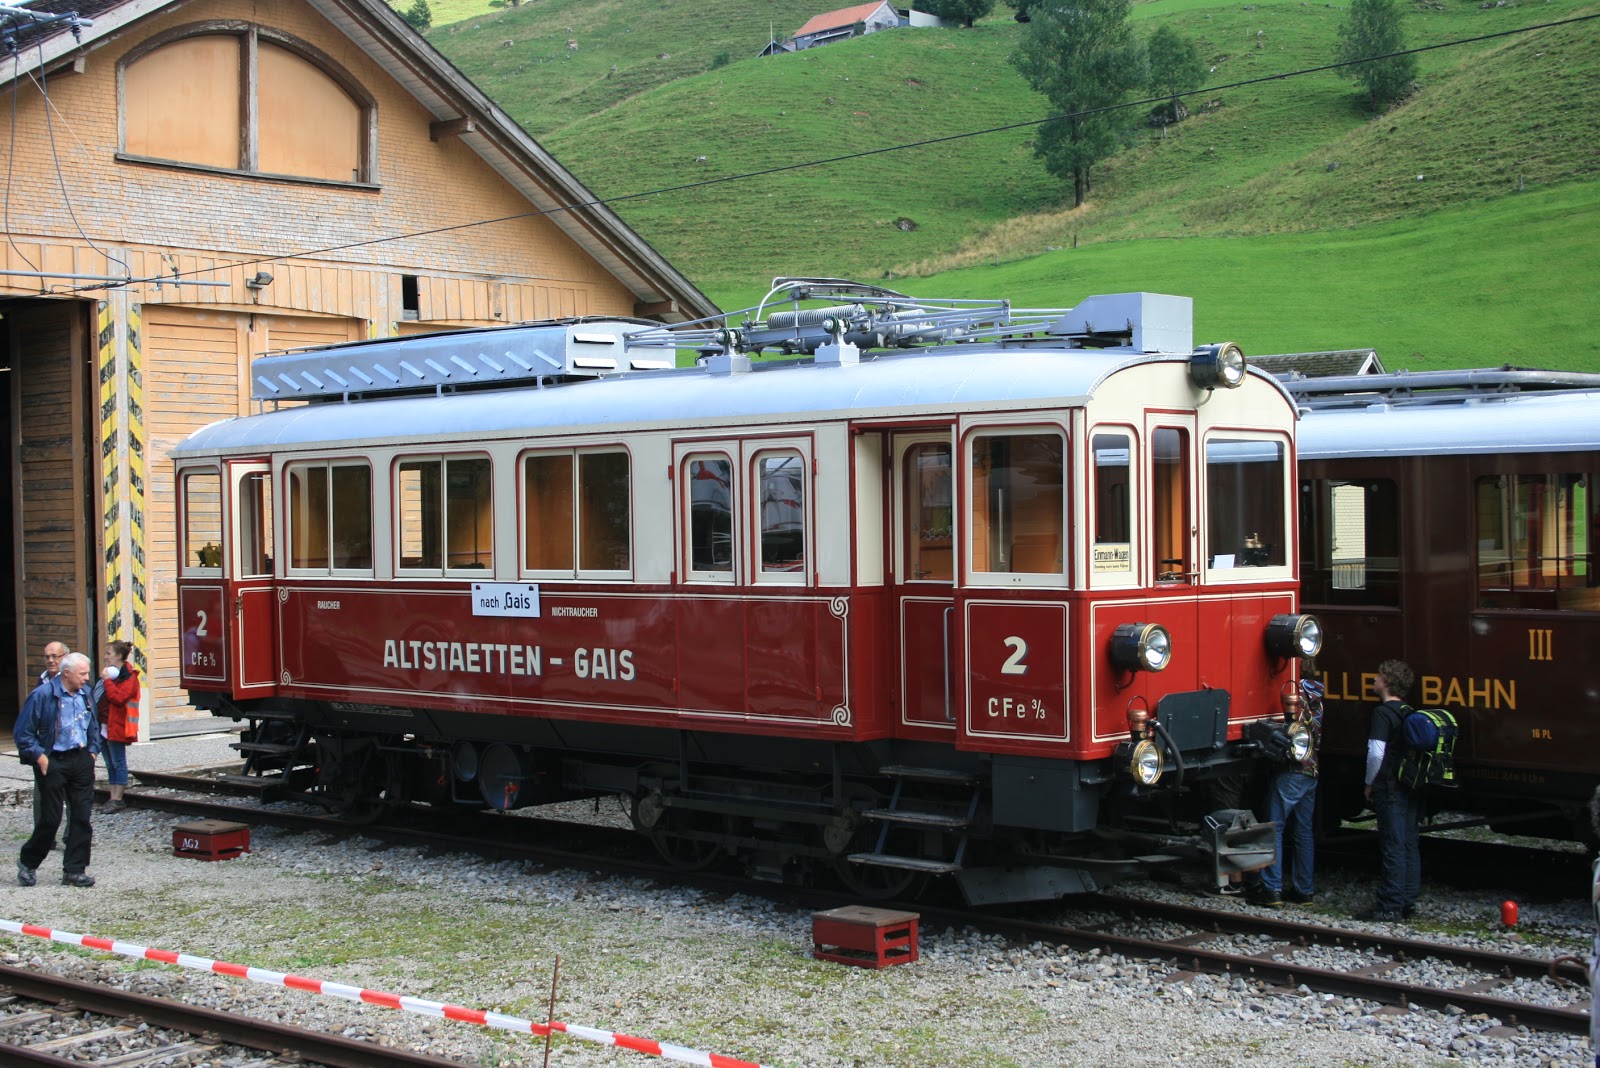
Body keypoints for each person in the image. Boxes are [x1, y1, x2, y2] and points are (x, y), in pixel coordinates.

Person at [16, 651, 100, 887]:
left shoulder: (85, 693)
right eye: (82, 673)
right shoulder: (42, 695)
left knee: (82, 817)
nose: (86, 678)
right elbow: (23, 734)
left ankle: (74, 870)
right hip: (53, 761)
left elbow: (93, 724)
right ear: (66, 673)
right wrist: (40, 757)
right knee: (50, 819)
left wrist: (92, 751)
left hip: (81, 760)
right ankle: (28, 862)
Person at [1250, 658, 1325, 907]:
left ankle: (1272, 888)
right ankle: (1304, 889)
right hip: (1311, 769)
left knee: (1275, 827)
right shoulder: (1317, 694)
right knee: (1303, 832)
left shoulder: (1294, 691)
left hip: (1291, 769)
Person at [1360, 659, 1420, 921]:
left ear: (1386, 682)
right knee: (1408, 843)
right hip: (1409, 785)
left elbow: (1376, 753)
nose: (1374, 679)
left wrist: (1369, 783)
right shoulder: (1408, 711)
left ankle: (1389, 906)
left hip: (1389, 786)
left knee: (1392, 845)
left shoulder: (1382, 714)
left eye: (1378, 676)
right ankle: (1408, 901)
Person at [94, 640, 141, 814]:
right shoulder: (115, 675)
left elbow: (118, 698)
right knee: (110, 764)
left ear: (119, 656)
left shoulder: (129, 677)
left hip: (117, 726)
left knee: (118, 762)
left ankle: (117, 799)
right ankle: (112, 797)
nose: (105, 657)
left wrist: (106, 681)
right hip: (105, 725)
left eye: (108, 653)